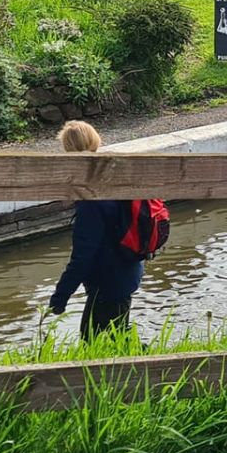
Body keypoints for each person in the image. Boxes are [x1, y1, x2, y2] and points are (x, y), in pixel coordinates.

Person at [49, 121, 146, 340]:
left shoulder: (91, 201)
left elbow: (82, 257)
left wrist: (59, 298)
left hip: (108, 283)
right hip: (128, 271)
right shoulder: (112, 177)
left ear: (68, 152)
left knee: (92, 342)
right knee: (118, 337)